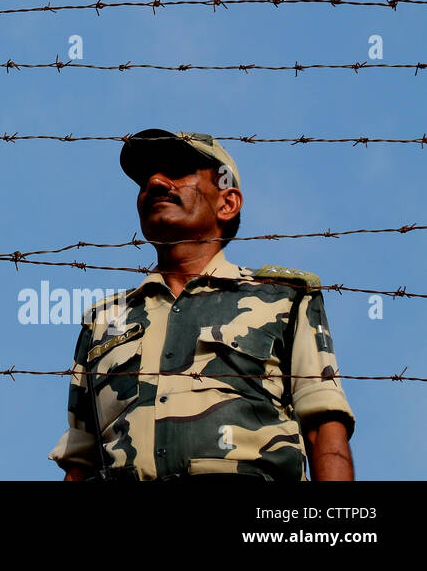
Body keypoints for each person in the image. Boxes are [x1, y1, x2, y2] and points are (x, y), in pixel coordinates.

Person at [48, 130, 355, 481]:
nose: (156, 182)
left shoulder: (283, 297)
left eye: (178, 171)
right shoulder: (104, 321)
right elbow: (81, 458)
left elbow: (322, 422)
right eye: (147, 177)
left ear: (227, 203)